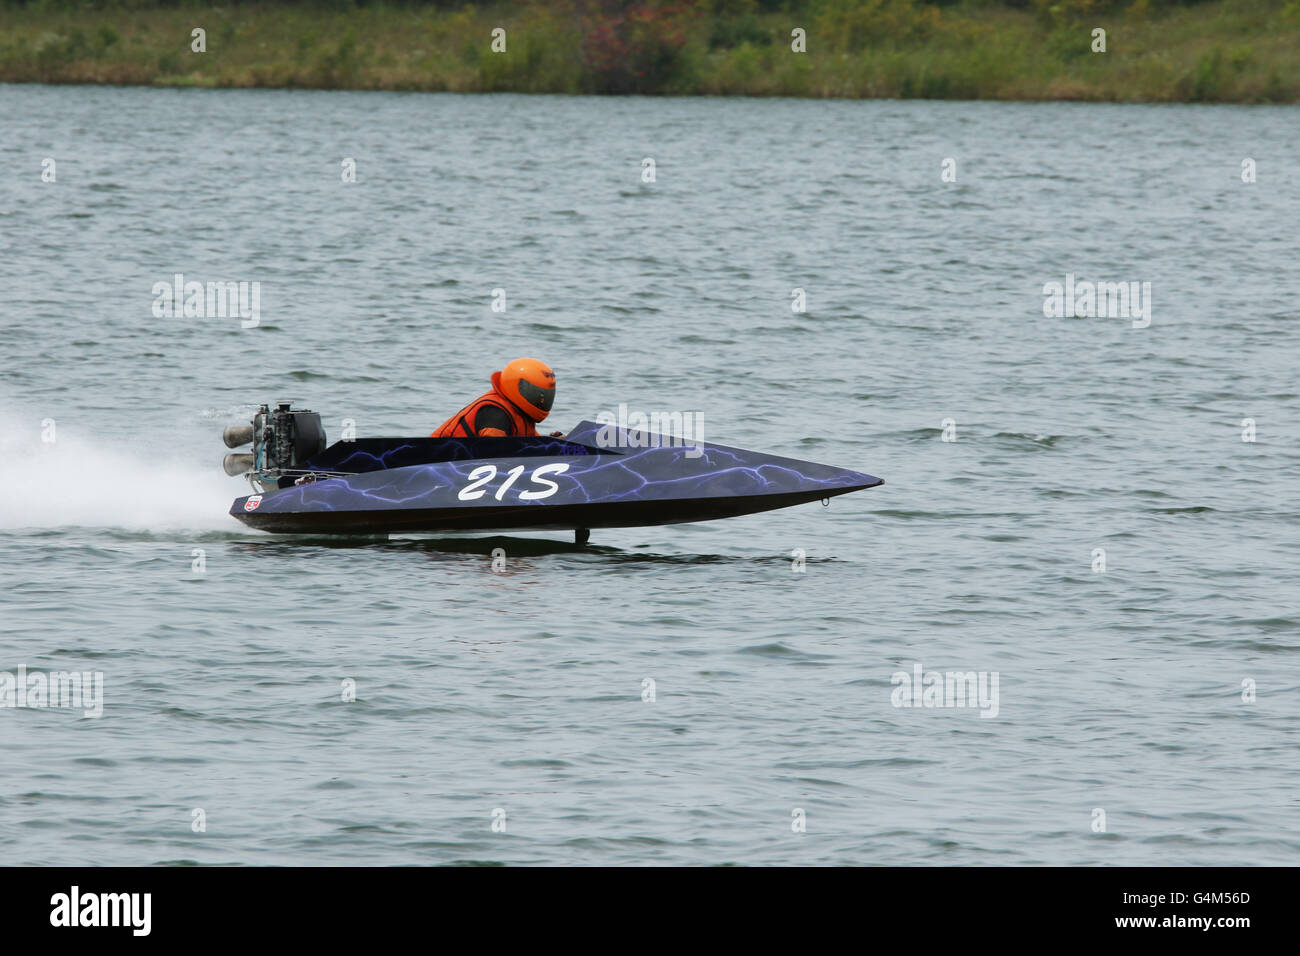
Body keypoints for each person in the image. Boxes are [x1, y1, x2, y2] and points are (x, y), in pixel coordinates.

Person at [432, 357, 562, 438]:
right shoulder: (495, 412)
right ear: (517, 387)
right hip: (435, 462)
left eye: (545, 396)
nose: (542, 401)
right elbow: (496, 454)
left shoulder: (521, 414)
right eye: (538, 395)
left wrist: (555, 443)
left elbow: (529, 444)